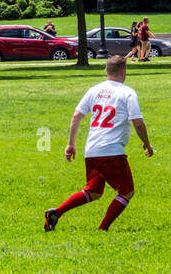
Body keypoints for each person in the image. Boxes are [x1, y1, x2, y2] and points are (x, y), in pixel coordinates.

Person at [44, 55, 153, 232]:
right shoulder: (127, 92)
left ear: (105, 70)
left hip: (92, 150)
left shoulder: (94, 90)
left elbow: (76, 116)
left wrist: (70, 144)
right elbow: (138, 123)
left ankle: (56, 212)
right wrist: (147, 145)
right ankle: (103, 229)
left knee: (94, 191)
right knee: (126, 191)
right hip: (111, 151)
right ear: (124, 72)